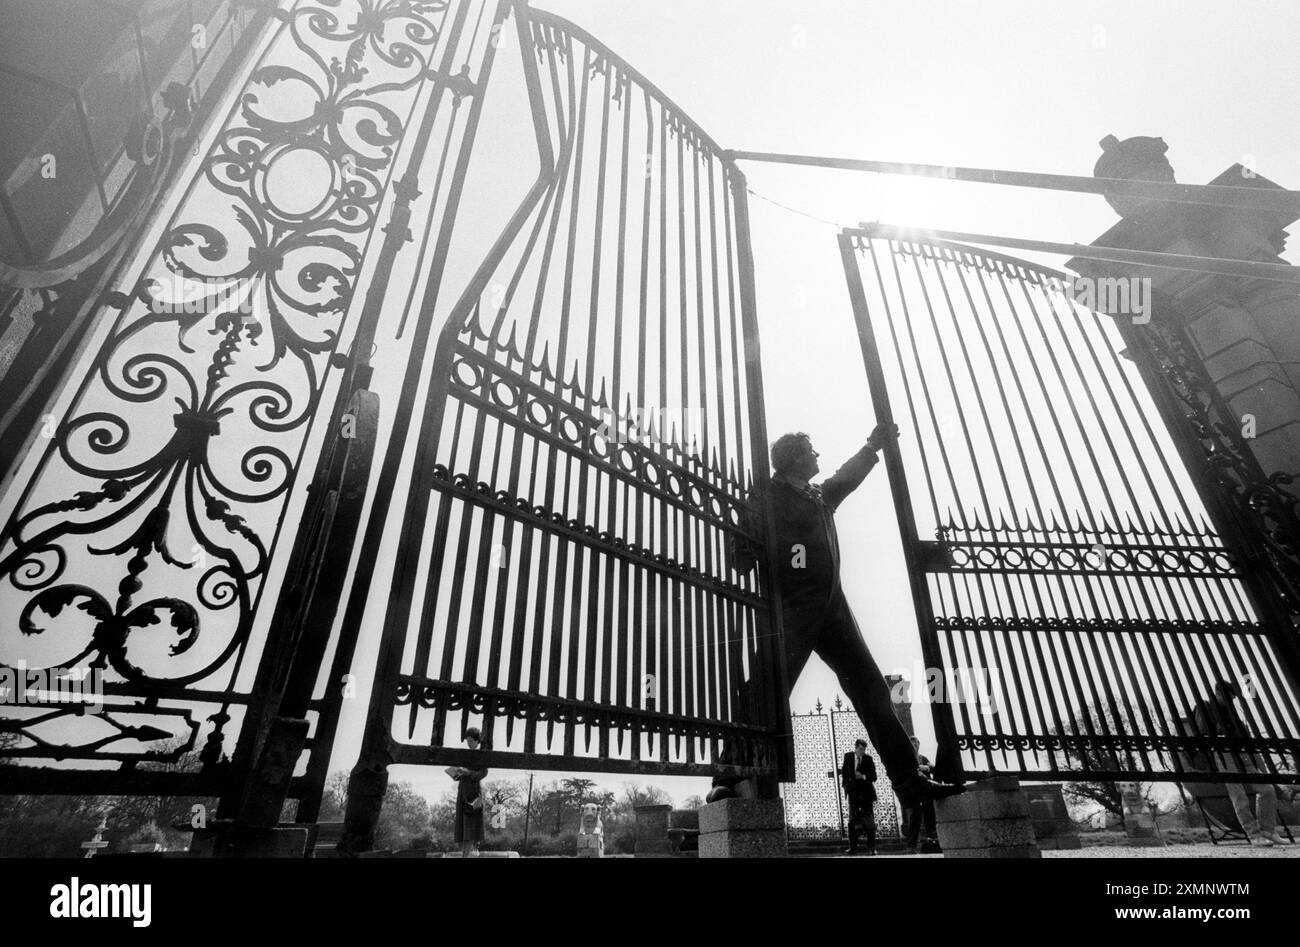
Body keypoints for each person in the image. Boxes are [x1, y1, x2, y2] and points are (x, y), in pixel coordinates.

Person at [710, 424, 963, 808]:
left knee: (874, 692)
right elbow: (740, 554)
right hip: (790, 612)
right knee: (765, 692)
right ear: (794, 458)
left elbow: (844, 479)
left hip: (833, 610)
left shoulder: (817, 495)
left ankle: (910, 783)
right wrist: (747, 545)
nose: (817, 456)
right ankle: (727, 777)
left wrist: (871, 447)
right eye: (810, 451)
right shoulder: (768, 495)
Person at [1191, 680, 1284, 847]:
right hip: (1224, 753)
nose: (1231, 701)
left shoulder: (1231, 709)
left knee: (1267, 789)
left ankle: (1267, 830)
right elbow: (1202, 731)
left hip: (1242, 751)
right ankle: (1253, 834)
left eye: (1233, 698)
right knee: (1238, 795)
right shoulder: (1205, 707)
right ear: (1218, 694)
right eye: (1228, 697)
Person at [450, 727, 489, 857]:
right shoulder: (463, 754)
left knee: (471, 827)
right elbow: (458, 775)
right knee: (462, 827)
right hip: (462, 792)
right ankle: (465, 854)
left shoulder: (482, 755)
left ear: (478, 741)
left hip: (474, 792)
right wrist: (456, 772)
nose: (469, 743)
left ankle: (466, 855)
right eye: (467, 740)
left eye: (471, 740)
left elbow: (483, 773)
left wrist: (469, 773)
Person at [841, 738, 877, 855]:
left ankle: (871, 848)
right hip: (853, 795)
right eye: (860, 749)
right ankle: (853, 848)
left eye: (864, 749)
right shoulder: (848, 757)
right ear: (856, 748)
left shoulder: (868, 759)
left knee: (870, 822)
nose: (862, 751)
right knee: (852, 822)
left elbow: (874, 777)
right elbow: (845, 772)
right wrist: (846, 786)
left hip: (866, 796)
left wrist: (863, 776)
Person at [904, 736, 939, 853]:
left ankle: (932, 841)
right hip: (914, 792)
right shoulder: (907, 759)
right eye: (913, 744)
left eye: (917, 744)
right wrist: (918, 768)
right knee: (916, 817)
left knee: (930, 816)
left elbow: (933, 768)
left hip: (926, 791)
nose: (915, 746)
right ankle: (911, 845)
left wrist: (928, 768)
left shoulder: (923, 758)